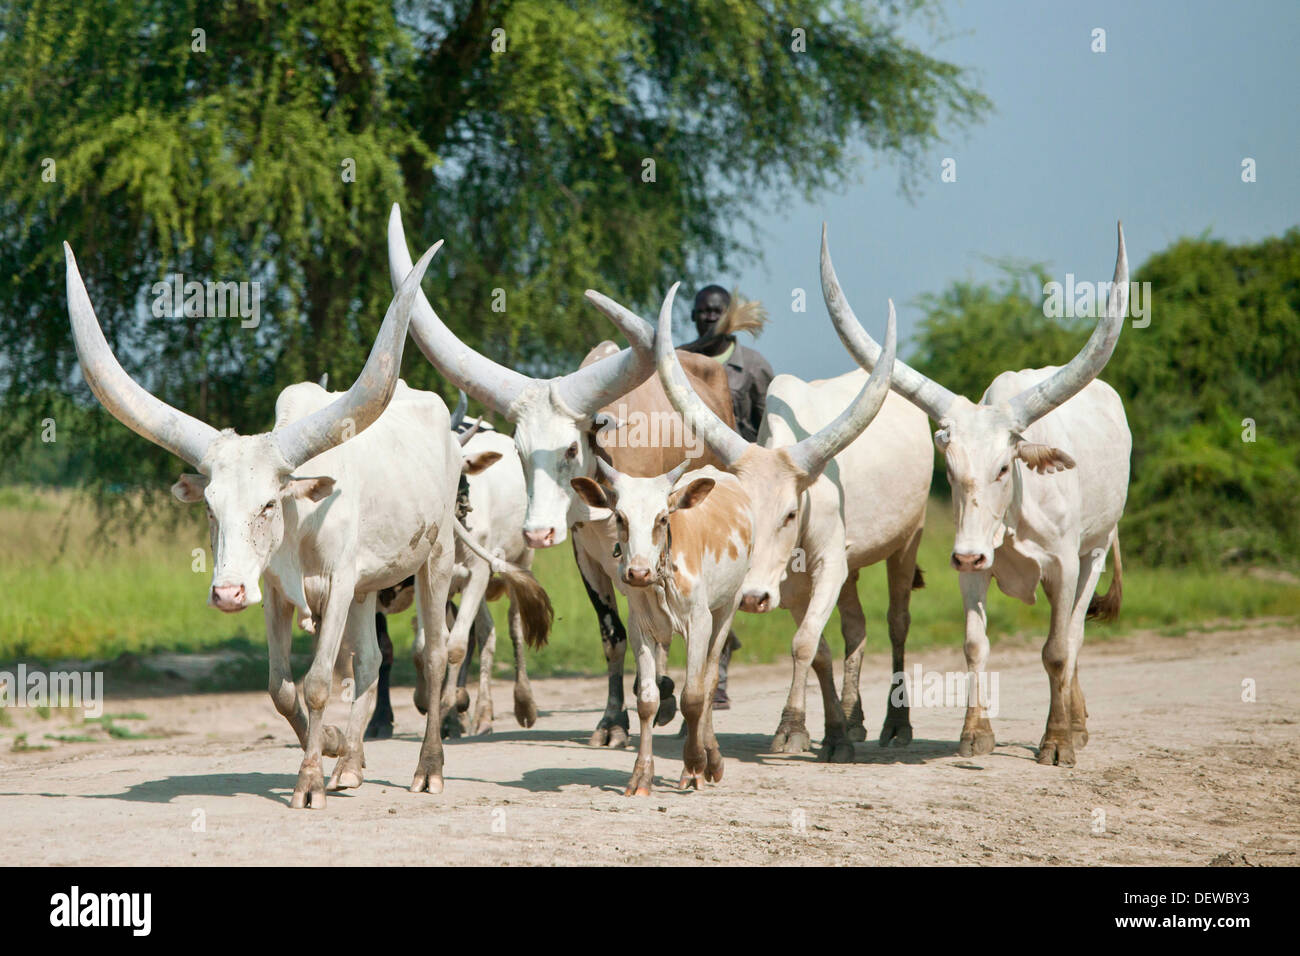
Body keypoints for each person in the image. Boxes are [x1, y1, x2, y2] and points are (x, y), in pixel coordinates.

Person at [679, 284, 774, 708]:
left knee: (729, 581)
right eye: (700, 311)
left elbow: (767, 424)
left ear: (727, 314)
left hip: (737, 483)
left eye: (714, 311)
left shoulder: (752, 366)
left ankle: (714, 679)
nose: (706, 317)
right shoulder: (677, 361)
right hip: (688, 485)